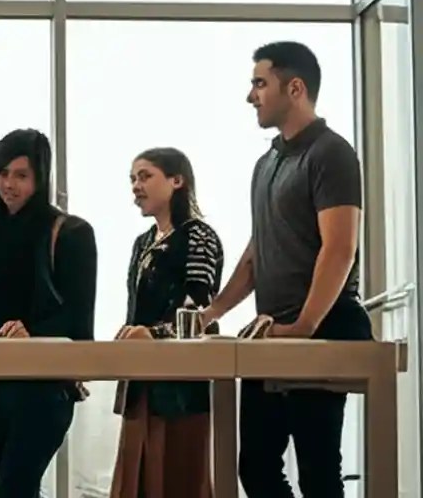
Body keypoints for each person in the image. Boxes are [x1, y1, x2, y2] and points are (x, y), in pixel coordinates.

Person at [200, 41, 371, 497]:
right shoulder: (267, 162)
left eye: (260, 83)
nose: (250, 95)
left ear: (295, 88)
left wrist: (304, 326)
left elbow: (340, 248)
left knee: (318, 470)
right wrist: (213, 310)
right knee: (255, 466)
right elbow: (259, 250)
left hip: (322, 324)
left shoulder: (332, 153)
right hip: (271, 333)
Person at [0, 129, 96, 498]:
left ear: (40, 178)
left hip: (43, 391)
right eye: (2, 173)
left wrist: (31, 331)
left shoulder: (71, 233)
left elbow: (80, 322)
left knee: (14, 488)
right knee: (16, 488)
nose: (9, 184)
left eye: (21, 175)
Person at [110, 147, 224, 498]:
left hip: (180, 386)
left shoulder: (198, 237)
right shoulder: (142, 243)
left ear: (177, 180)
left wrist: (154, 333)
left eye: (145, 176)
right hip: (140, 380)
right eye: (132, 178)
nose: (136, 186)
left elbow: (201, 311)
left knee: (178, 477)